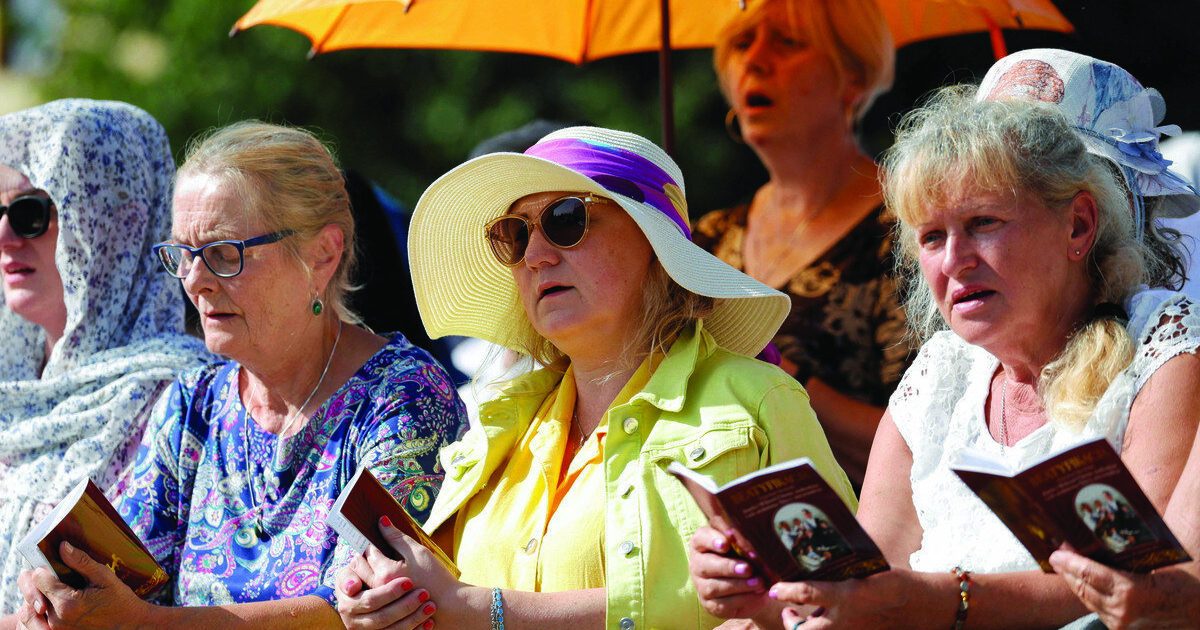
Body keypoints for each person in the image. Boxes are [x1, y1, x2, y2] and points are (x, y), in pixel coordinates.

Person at [688, 49, 1200, 629]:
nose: (955, 261)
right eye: (932, 236)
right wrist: (772, 593)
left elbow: (1141, 592)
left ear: (1079, 225)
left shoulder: (1165, 349)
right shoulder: (940, 372)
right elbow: (865, 584)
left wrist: (933, 601)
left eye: (984, 222)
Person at [335, 126, 855, 629]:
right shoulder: (495, 432)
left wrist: (486, 612)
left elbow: (840, 604)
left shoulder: (757, 401)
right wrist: (391, 601)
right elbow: (445, 604)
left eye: (566, 219)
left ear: (655, 245)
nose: (536, 256)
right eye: (515, 234)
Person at [15, 121, 467, 627]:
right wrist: (62, 591)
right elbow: (121, 580)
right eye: (181, 256)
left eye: (224, 255)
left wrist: (141, 623)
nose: (195, 281)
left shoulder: (402, 397)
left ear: (322, 254)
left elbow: (360, 610)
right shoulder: (196, 405)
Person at [0, 99, 212, 617]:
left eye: (30, 212)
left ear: (114, 221)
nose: (4, 236)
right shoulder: (11, 398)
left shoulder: (190, 396)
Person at [692, 0, 908, 485]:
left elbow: (933, 443)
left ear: (853, 76)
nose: (755, 61)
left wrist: (785, 377)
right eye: (742, 44)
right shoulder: (705, 239)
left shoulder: (913, 231)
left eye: (788, 42)